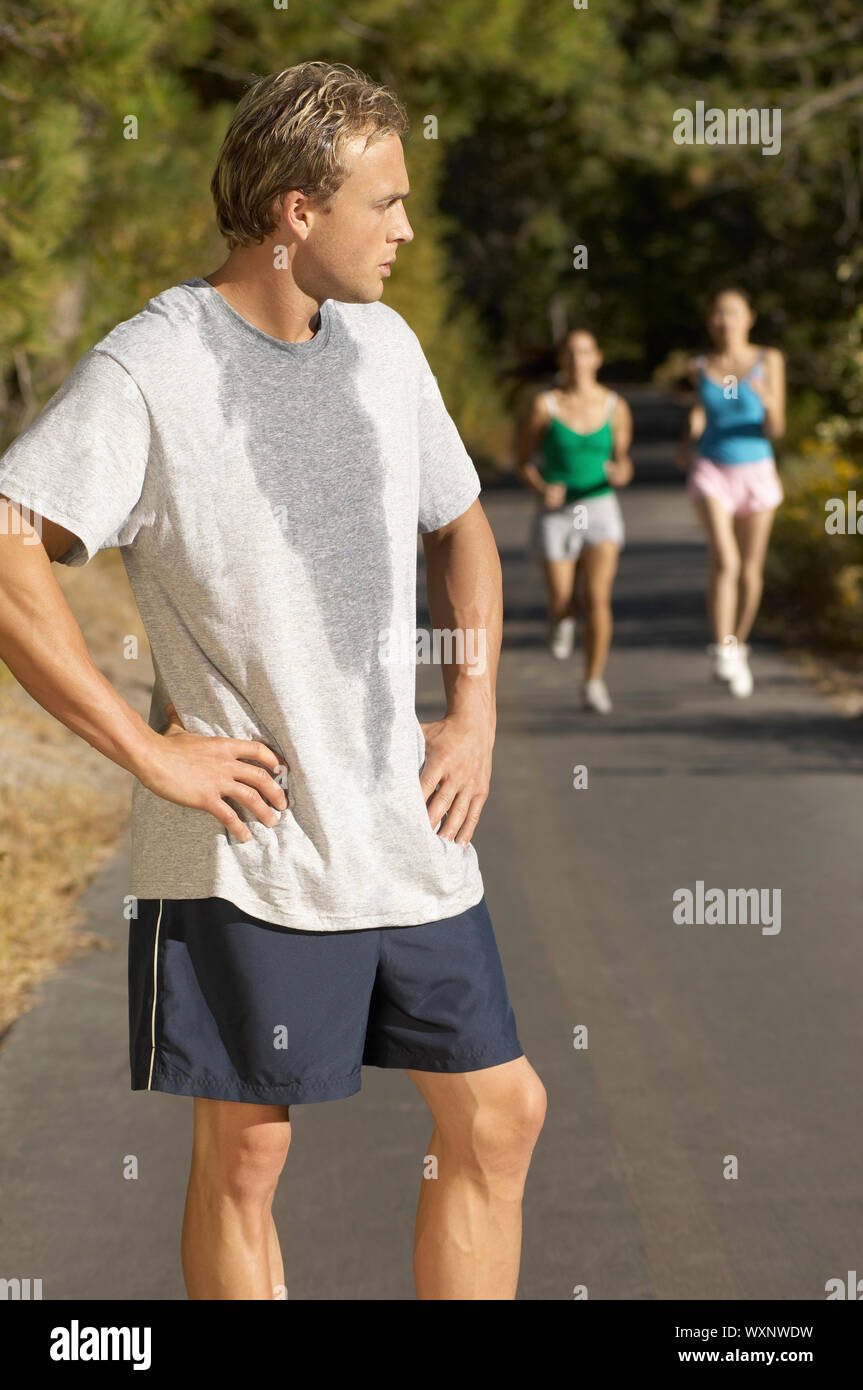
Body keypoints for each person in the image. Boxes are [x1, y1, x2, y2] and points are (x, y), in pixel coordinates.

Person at [0, 60, 546, 1301]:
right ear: (297, 210)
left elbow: (459, 521)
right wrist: (150, 758)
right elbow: (9, 543)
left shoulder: (384, 348)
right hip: (235, 829)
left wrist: (475, 710)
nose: (406, 228)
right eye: (385, 202)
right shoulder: (153, 367)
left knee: (500, 1113)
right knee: (247, 1155)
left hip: (395, 816)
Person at [676, 287, 785, 698]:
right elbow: (703, 409)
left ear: (749, 317)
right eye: (718, 313)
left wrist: (769, 400)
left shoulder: (769, 360)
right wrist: (691, 435)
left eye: (733, 312)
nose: (725, 320)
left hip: (756, 469)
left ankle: (738, 644)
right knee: (726, 559)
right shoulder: (699, 365)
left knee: (751, 568)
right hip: (711, 469)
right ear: (711, 321)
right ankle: (723, 648)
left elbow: (777, 429)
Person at [517, 329, 633, 713]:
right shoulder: (545, 406)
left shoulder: (616, 406)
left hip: (599, 507)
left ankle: (593, 681)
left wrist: (621, 472)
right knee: (564, 599)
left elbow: (624, 461)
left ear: (597, 358)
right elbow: (522, 461)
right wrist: (540, 488)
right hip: (558, 512)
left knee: (598, 598)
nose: (577, 361)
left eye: (584, 353)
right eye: (570, 354)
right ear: (561, 361)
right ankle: (559, 618)